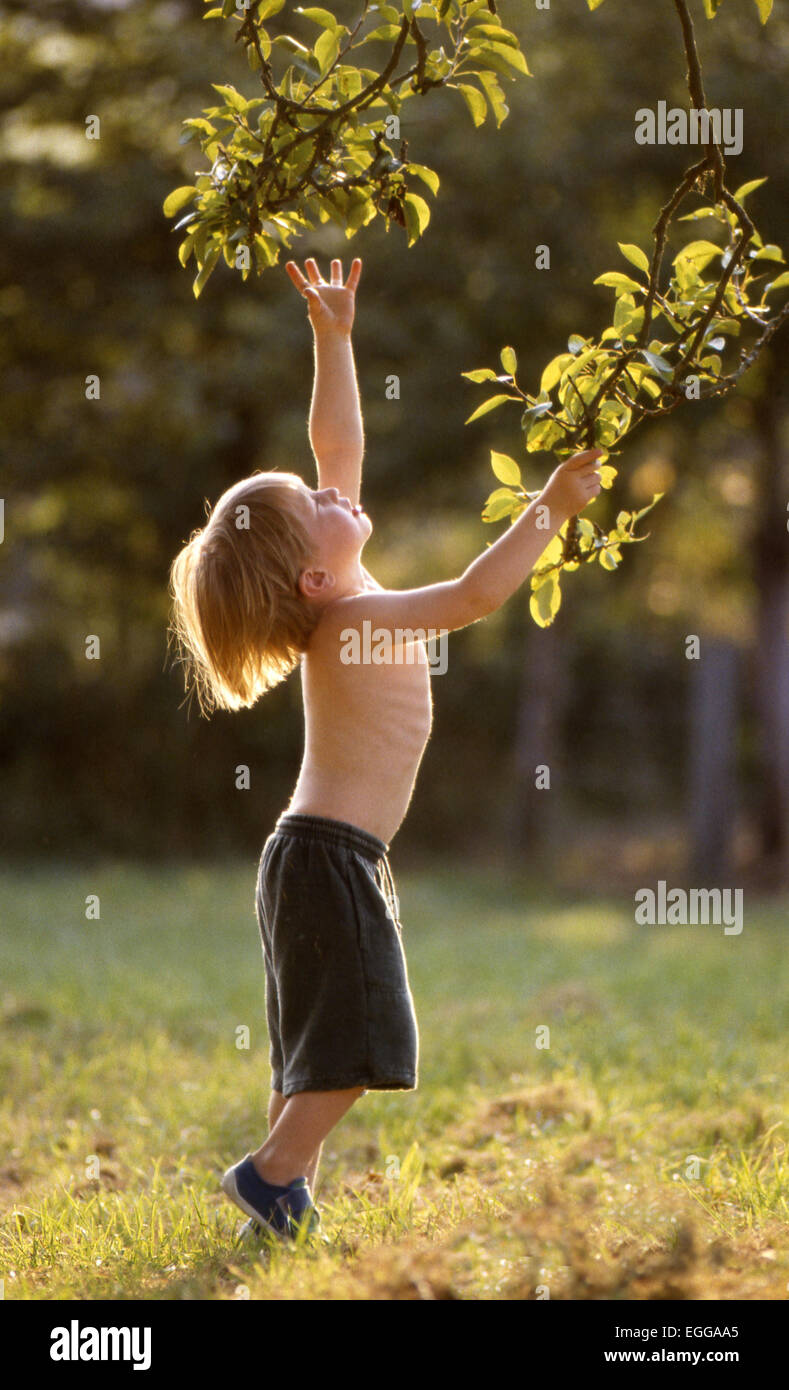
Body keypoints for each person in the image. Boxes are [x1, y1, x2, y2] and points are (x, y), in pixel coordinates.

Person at [168, 255, 603, 1242]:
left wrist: (334, 339)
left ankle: (283, 1205)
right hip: (327, 856)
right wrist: (553, 509)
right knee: (362, 1037)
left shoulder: (339, 602)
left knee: (320, 1042)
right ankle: (272, 1172)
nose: (333, 490)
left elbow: (339, 450)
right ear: (315, 577)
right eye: (313, 503)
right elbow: (475, 595)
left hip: (315, 853)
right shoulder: (359, 617)